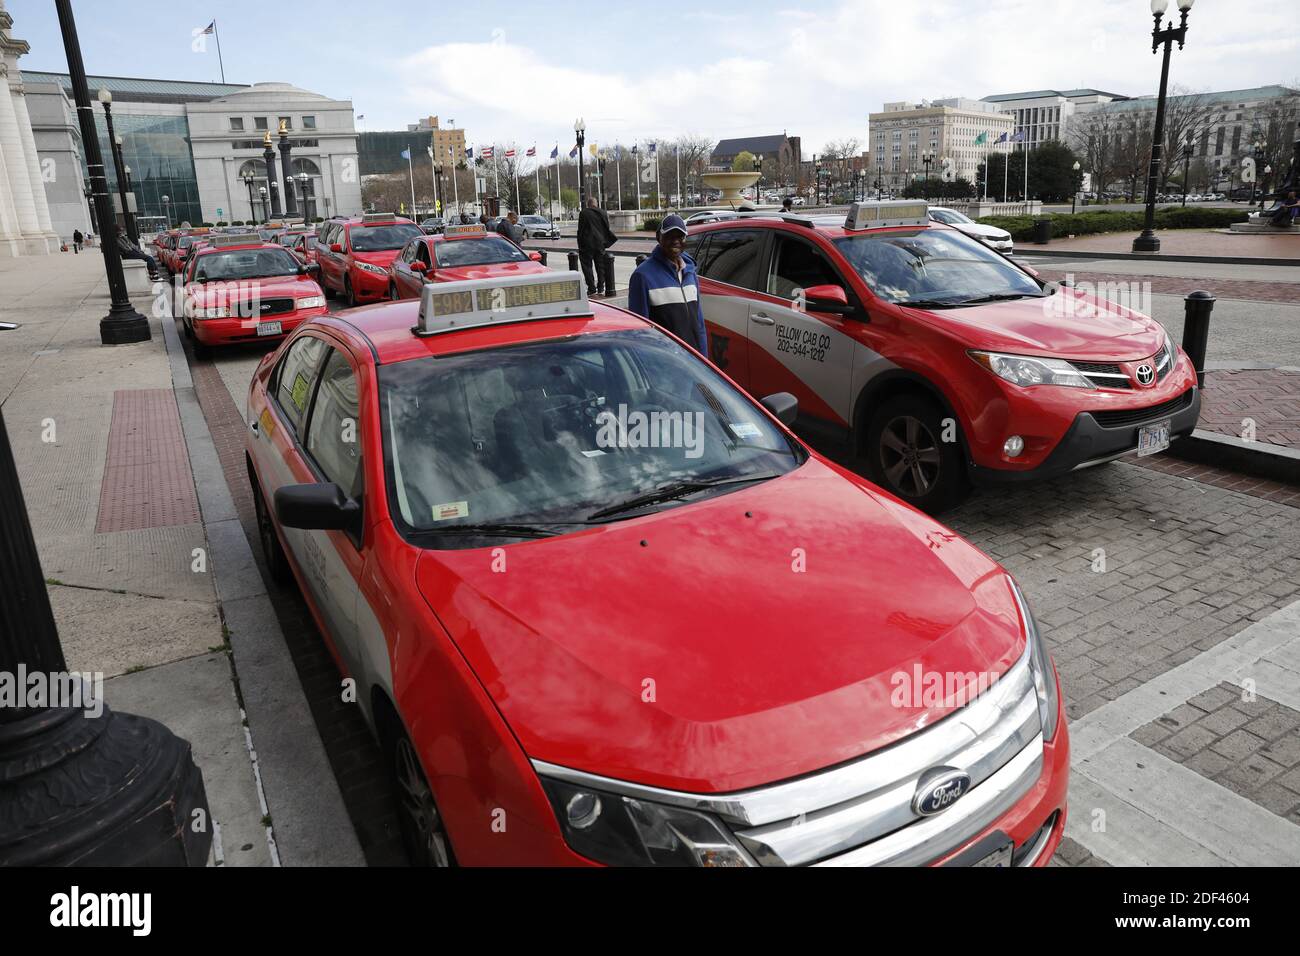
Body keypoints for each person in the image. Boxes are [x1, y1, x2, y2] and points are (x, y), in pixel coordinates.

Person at [627, 213, 706, 355]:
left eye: (680, 236)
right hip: (665, 362)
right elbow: (639, 332)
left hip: (693, 361)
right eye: (669, 236)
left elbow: (699, 324)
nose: (675, 241)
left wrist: (704, 359)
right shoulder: (643, 276)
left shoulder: (690, 273)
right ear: (659, 238)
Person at [576, 197, 617, 296]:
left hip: (587, 244)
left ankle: (591, 288)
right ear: (596, 204)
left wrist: (580, 243)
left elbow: (580, 230)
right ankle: (600, 287)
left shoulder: (584, 213)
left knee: (587, 267)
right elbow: (606, 228)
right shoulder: (603, 213)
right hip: (600, 243)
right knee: (600, 266)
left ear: (588, 204)